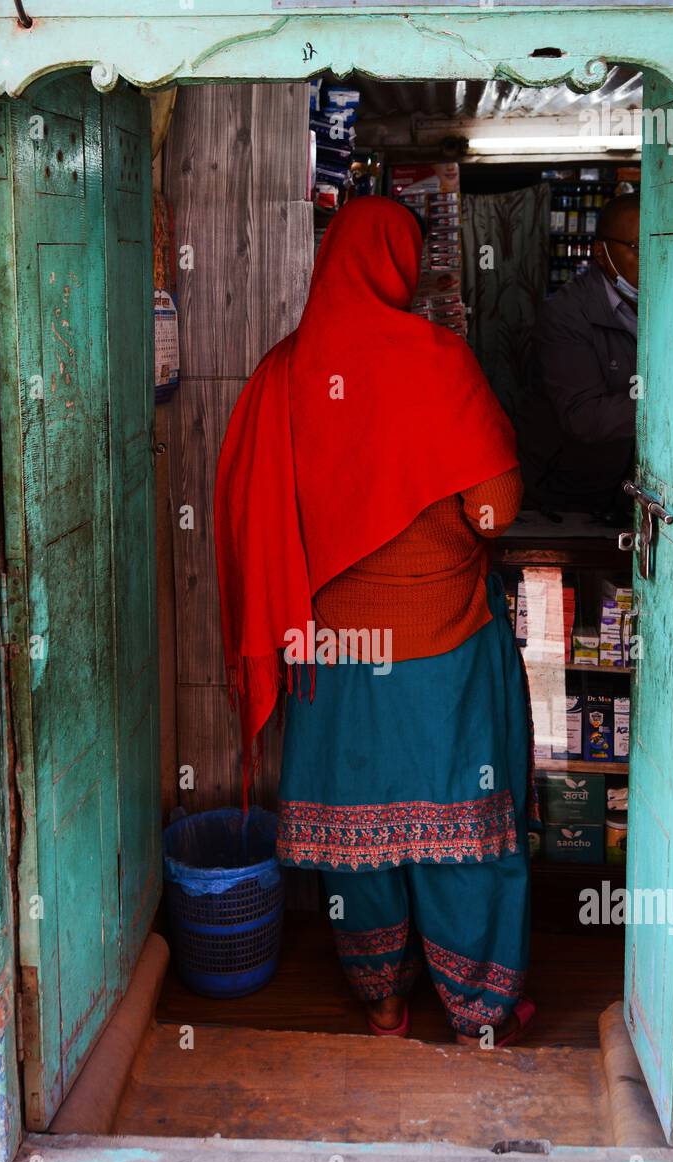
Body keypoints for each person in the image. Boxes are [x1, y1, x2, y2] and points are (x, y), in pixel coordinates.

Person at [214, 196, 536, 1046]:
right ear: (402, 268)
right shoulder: (438, 362)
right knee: (457, 833)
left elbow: (257, 520)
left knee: (357, 842)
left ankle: (382, 1004)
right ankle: (477, 1011)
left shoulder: (284, 371)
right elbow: (496, 510)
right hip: (443, 648)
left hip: (334, 655)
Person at [516, 192, 640, 518]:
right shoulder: (565, 315)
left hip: (628, 492)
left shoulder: (671, 302)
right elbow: (584, 417)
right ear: (602, 252)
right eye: (639, 248)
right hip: (566, 492)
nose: (653, 259)